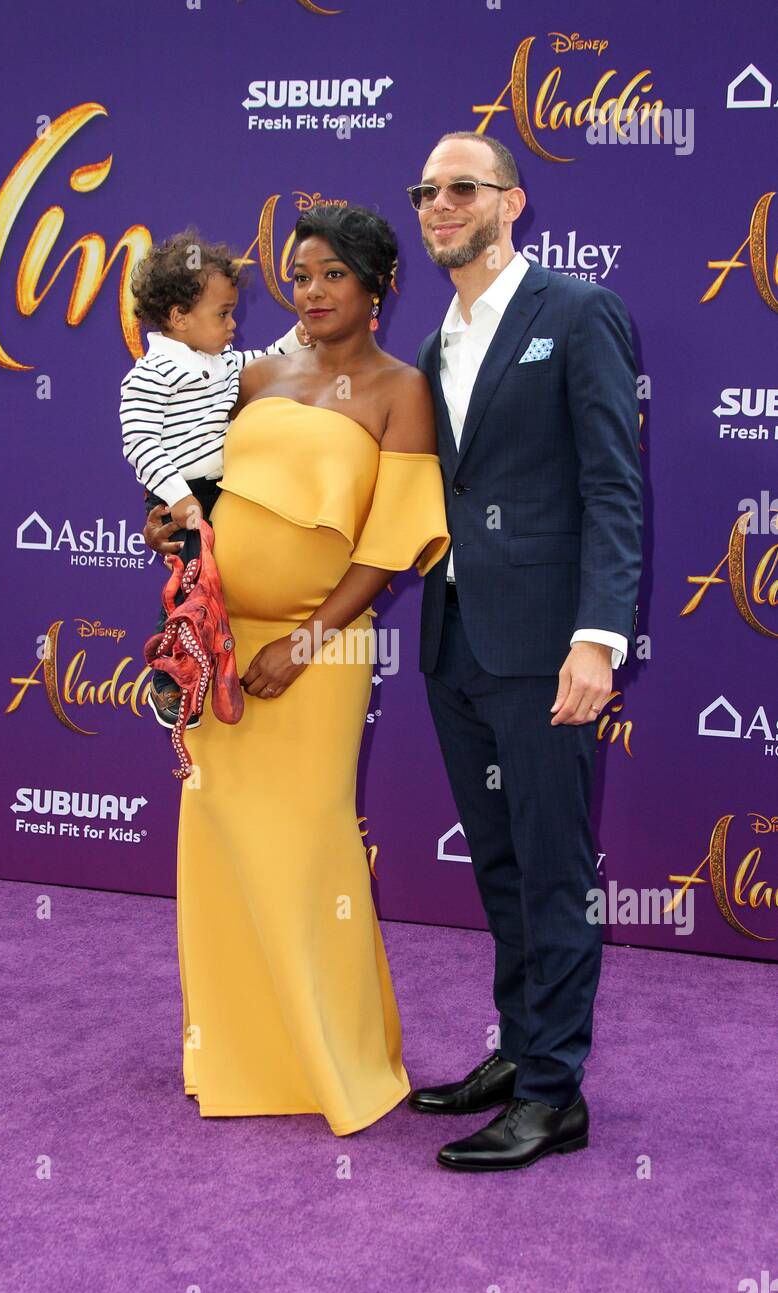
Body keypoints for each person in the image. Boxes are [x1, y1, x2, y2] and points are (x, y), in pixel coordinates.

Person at [143, 205, 449, 1136]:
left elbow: (389, 546)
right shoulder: (254, 374)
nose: (311, 294)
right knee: (220, 844)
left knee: (314, 846)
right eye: (300, 278)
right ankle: (237, 1056)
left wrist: (306, 641)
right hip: (222, 646)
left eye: (331, 278)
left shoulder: (402, 390)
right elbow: (205, 489)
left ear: (375, 288)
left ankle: (337, 1060)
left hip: (320, 652)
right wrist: (171, 527)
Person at [407, 132, 642, 1171]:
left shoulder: (575, 311)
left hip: (548, 649)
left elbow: (611, 486)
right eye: (427, 192)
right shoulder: (435, 342)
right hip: (457, 642)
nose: (440, 204)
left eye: (462, 187)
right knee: (498, 865)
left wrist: (594, 642)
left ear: (513, 202)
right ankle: (519, 1051)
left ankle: (553, 1094)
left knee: (550, 870)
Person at [119, 228, 308, 729]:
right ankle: (166, 682)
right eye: (223, 315)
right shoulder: (151, 374)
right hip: (180, 495)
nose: (232, 326)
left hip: (220, 493)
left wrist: (298, 337)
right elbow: (141, 444)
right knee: (191, 588)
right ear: (180, 318)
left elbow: (261, 360)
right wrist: (179, 500)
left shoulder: (219, 363)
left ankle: (206, 668)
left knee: (214, 590)